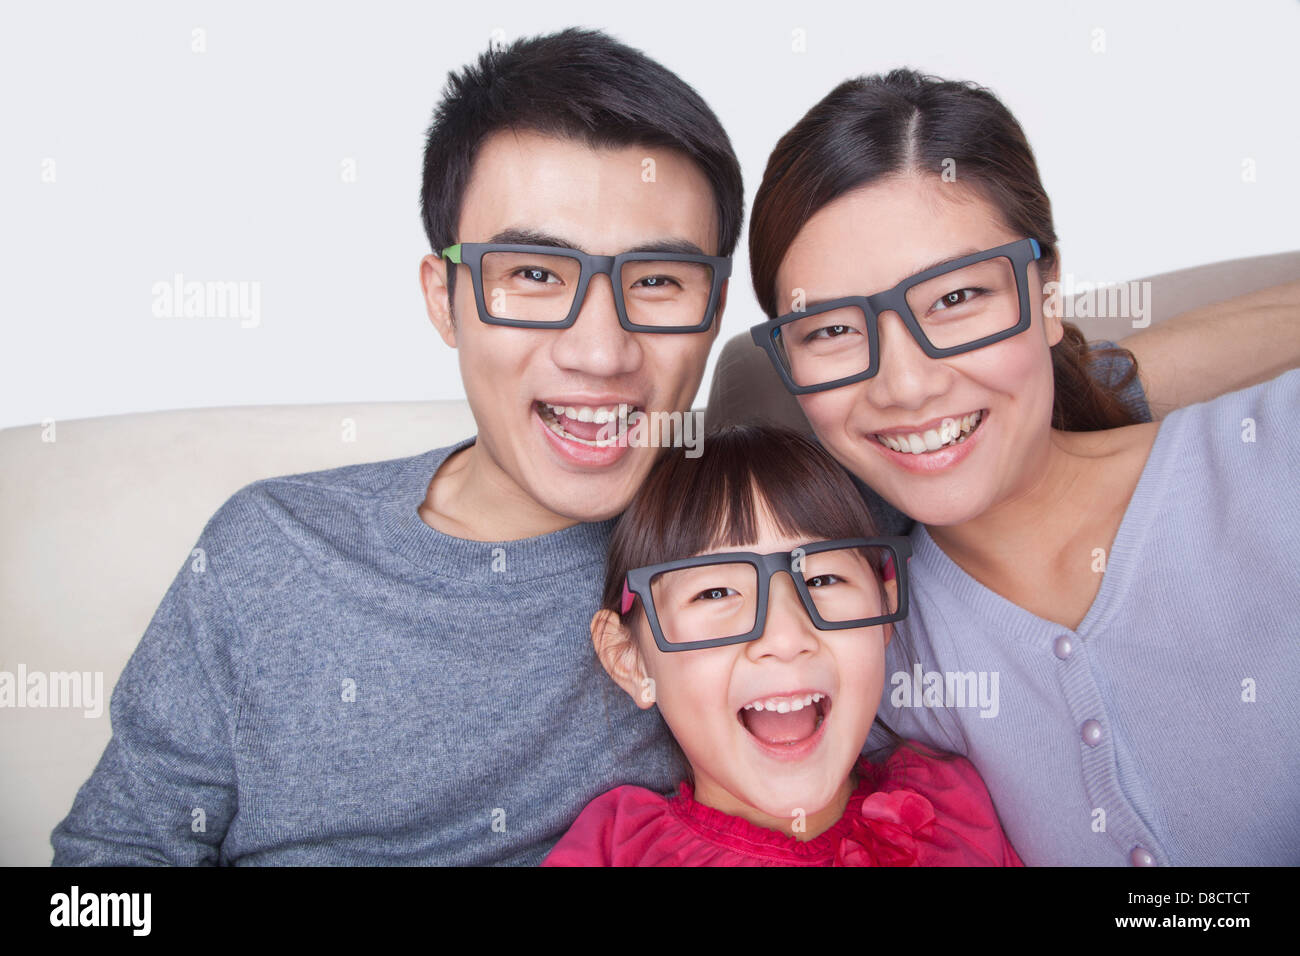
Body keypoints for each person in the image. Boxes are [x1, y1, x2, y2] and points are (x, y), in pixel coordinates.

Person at [51, 28, 742, 866]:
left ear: (714, 310)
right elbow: (102, 871)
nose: (601, 351)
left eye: (658, 283)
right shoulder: (273, 549)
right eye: (532, 275)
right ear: (445, 302)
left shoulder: (767, 554)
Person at [745, 68, 1300, 865]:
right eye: (831, 331)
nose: (905, 385)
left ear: (1047, 297)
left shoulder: (1270, 456)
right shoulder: (861, 652)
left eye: (956, 300)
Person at [544, 424, 1021, 866]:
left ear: (885, 610)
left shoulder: (952, 806)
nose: (787, 637)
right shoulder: (614, 849)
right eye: (715, 592)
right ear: (628, 660)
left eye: (825, 578)